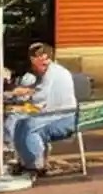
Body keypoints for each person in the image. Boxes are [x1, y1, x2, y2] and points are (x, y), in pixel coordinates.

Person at [7, 43, 78, 177]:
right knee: (21, 123)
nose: (34, 67)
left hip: (63, 117)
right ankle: (26, 162)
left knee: (28, 126)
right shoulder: (55, 70)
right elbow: (43, 95)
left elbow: (40, 97)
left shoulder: (52, 73)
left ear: (44, 59)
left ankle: (35, 165)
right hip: (59, 113)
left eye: (36, 62)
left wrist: (24, 98)